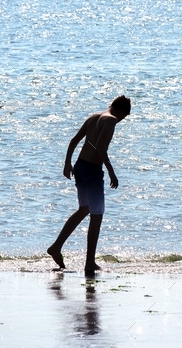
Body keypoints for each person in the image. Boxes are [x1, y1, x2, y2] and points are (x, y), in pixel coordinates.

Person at [47, 95, 131, 276]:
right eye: (124, 117)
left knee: (84, 208)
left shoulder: (94, 116)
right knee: (96, 215)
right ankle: (90, 262)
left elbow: (74, 141)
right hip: (92, 170)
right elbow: (101, 147)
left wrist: (67, 163)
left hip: (80, 166)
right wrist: (111, 171)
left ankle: (56, 246)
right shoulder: (111, 120)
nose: (121, 120)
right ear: (122, 112)